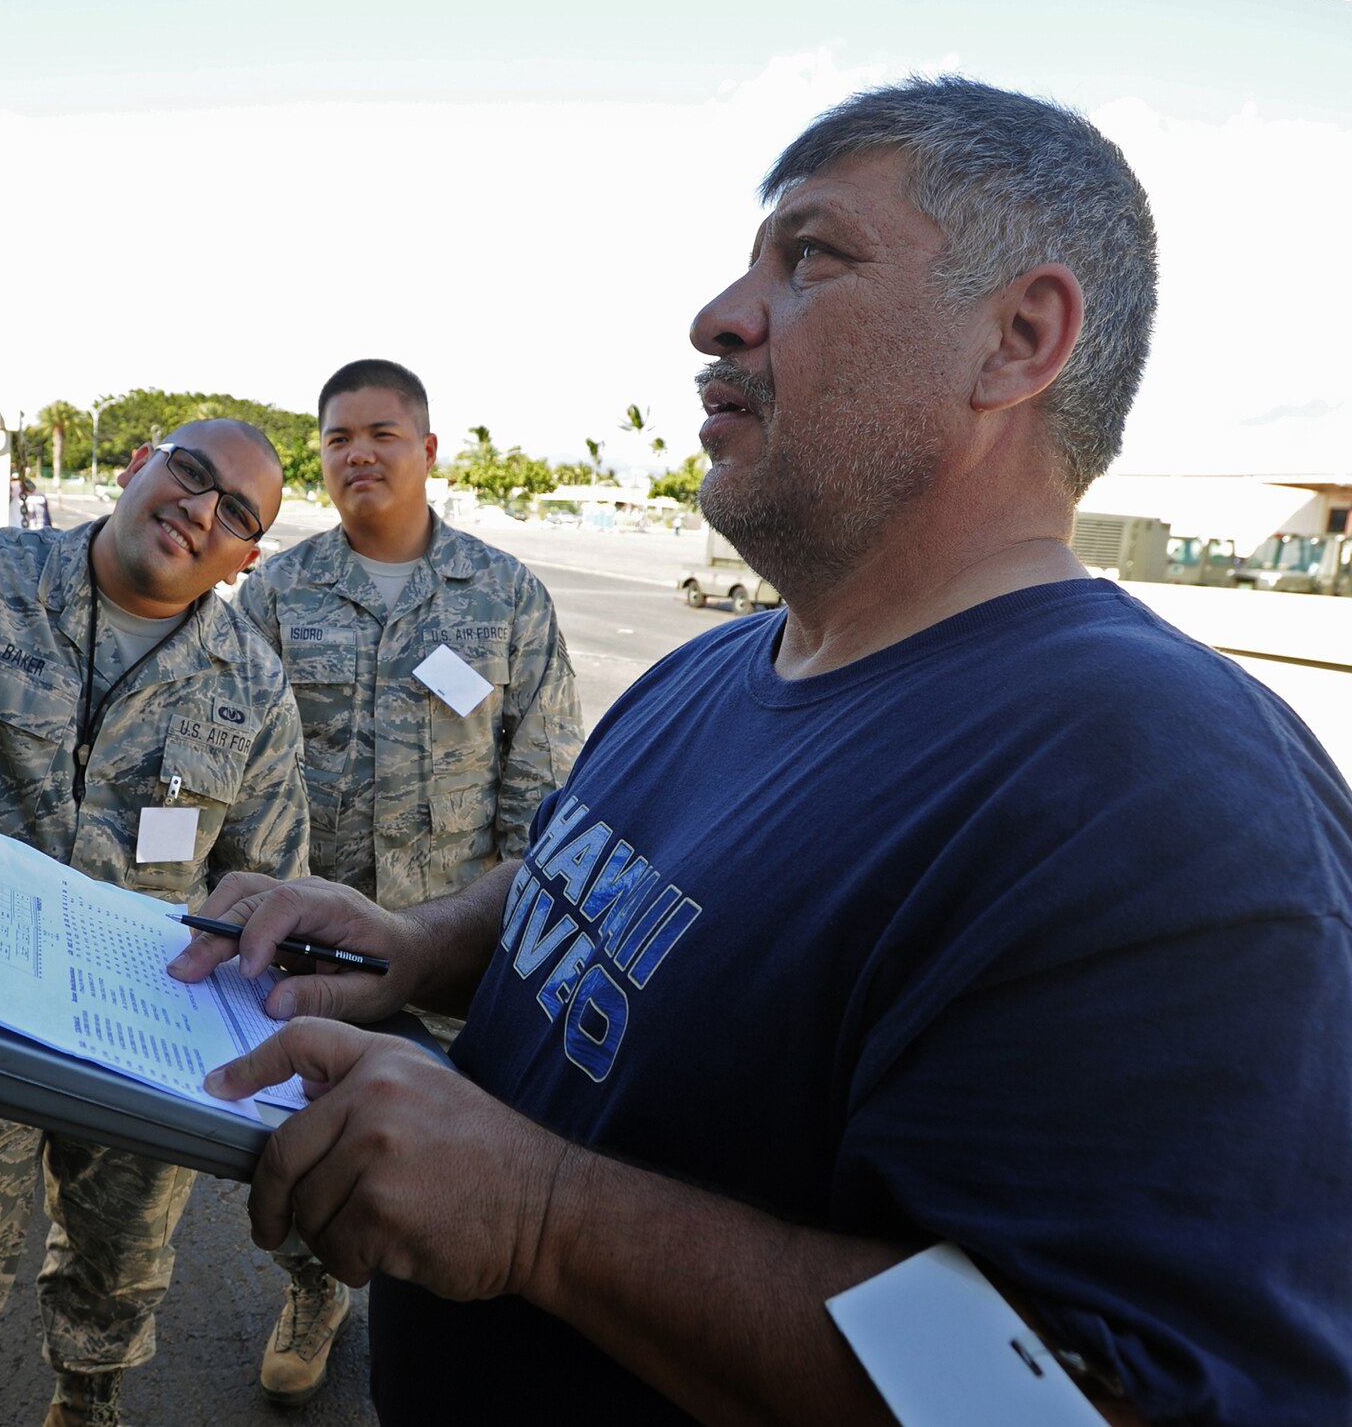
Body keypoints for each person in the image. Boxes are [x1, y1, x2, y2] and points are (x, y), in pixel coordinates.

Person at [171, 77, 1352, 1426]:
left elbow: (1088, 1400)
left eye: (810, 256)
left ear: (1018, 338)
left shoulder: (1164, 792)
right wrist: (426, 944)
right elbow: (633, 887)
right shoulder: (722, 666)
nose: (719, 319)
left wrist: (543, 1217)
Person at [0, 418, 309, 1426]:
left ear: (245, 556)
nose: (197, 508)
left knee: (121, 1260)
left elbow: (267, 881)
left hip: (137, 1025)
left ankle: (86, 1402)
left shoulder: (252, 685)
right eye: (189, 472)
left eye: (234, 511)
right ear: (140, 466)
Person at [230, 357, 582, 1403]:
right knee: (304, 1143)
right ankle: (314, 1289)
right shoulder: (280, 595)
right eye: (337, 438)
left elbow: (543, 780)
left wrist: (508, 932)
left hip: (460, 954)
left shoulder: (503, 593)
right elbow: (243, 763)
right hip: (320, 945)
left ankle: (451, 1326)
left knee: (462, 1168)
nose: (358, 455)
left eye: (381, 434)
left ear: (427, 451)